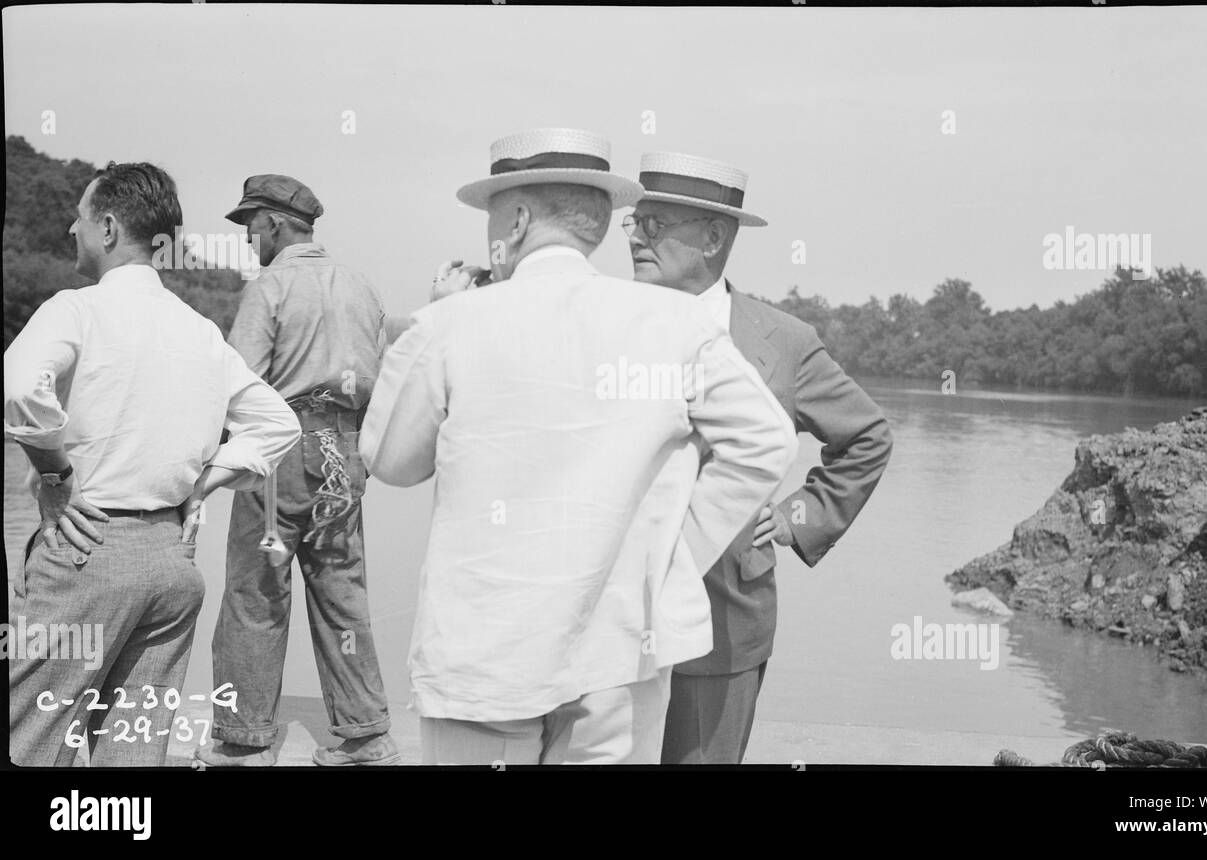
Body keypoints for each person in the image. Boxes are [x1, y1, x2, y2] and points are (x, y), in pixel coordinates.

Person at [360, 128, 798, 764]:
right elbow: (765, 441)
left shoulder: (453, 323)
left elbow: (391, 462)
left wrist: (432, 318)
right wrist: (673, 552)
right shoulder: (675, 324)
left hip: (484, 659)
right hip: (620, 650)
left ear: (515, 219)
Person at [5, 161, 300, 767]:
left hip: (85, 553)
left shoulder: (75, 309)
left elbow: (16, 387)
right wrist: (203, 483)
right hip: (171, 564)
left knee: (29, 745)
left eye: (80, 218)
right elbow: (278, 424)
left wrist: (55, 475)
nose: (70, 228)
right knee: (133, 755)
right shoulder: (198, 331)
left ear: (108, 228)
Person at [626, 151, 894, 764]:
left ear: (715, 236)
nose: (637, 239)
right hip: (616, 618)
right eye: (634, 223)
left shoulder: (786, 342)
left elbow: (867, 437)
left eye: (656, 225)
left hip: (724, 619)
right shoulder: (611, 324)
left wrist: (802, 514)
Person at [196, 175, 396, 767]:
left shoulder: (271, 287)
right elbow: (378, 382)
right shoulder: (363, 286)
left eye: (250, 225)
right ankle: (368, 735)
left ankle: (242, 736)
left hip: (280, 454)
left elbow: (236, 386)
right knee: (343, 594)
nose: (249, 237)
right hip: (344, 450)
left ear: (275, 224)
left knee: (255, 594)